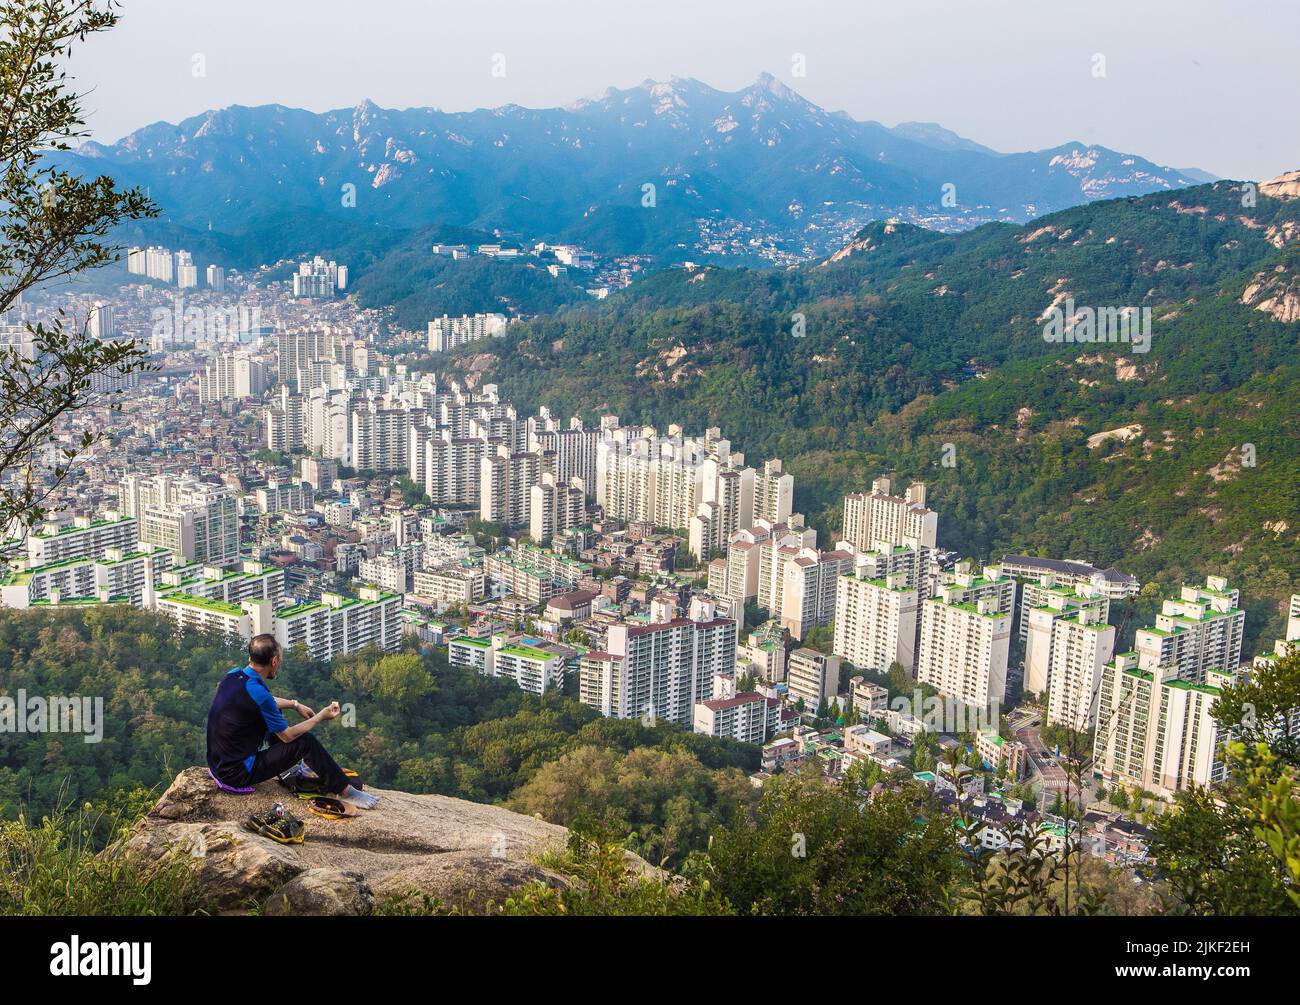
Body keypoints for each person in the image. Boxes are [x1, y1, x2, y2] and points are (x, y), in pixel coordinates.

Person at [206, 633, 378, 810]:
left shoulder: (233, 675)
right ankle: (346, 791)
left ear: (251, 657)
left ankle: (292, 765)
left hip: (219, 764)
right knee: (305, 742)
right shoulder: (259, 694)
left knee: (275, 713)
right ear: (274, 661)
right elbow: (287, 736)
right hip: (238, 773)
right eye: (279, 660)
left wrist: (295, 705)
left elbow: (264, 701)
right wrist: (320, 717)